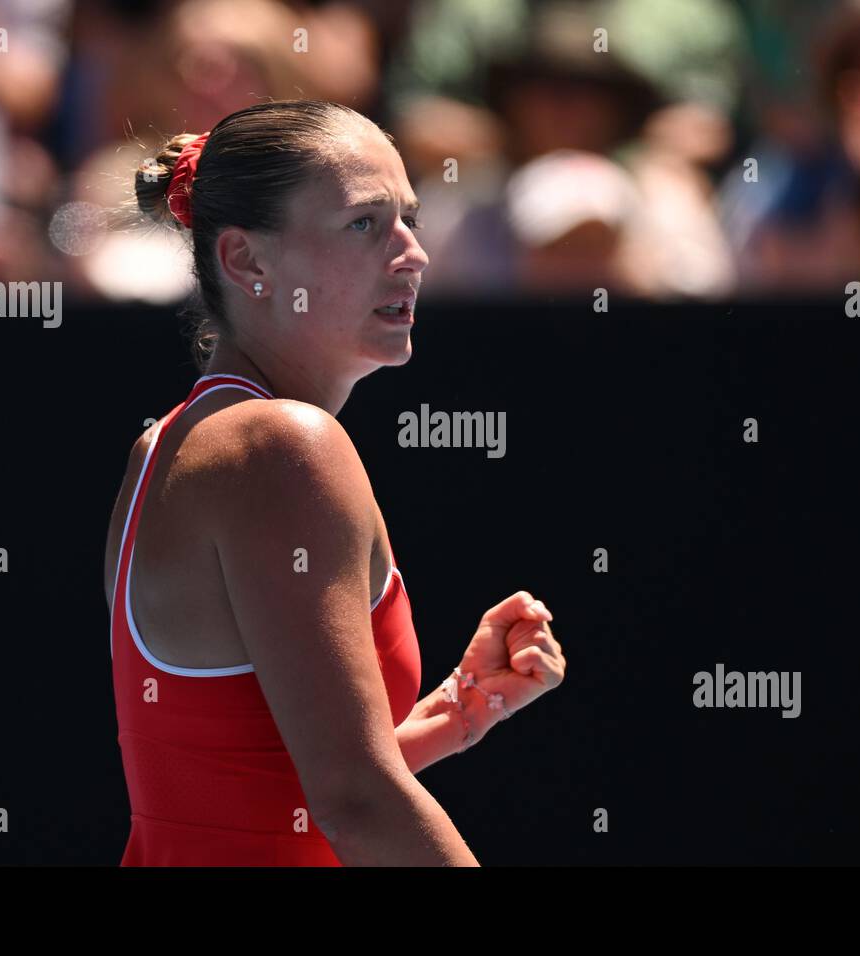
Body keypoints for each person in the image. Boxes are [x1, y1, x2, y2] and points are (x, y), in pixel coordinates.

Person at [103, 100, 566, 866]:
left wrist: (454, 714)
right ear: (248, 263)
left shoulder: (167, 443)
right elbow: (355, 801)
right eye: (364, 223)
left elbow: (256, 792)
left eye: (409, 219)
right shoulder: (283, 445)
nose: (413, 253)